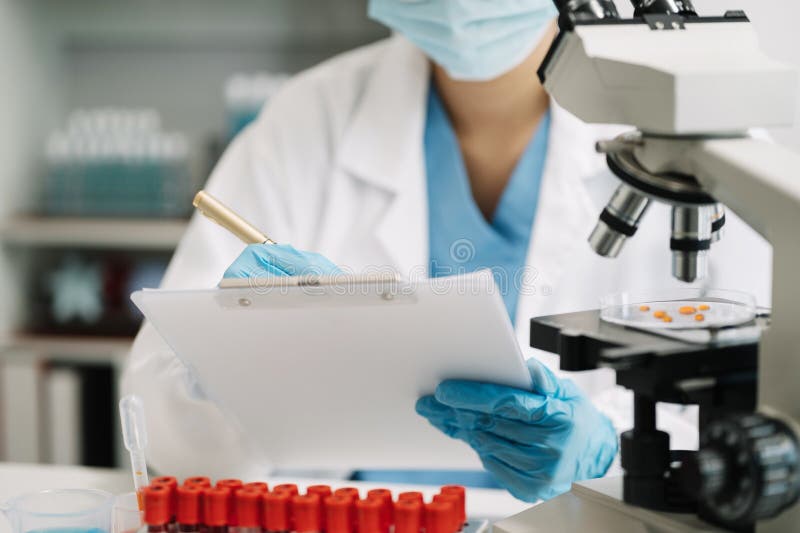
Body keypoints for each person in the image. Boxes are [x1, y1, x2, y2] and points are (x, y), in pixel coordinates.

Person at [122, 0, 771, 501]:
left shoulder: (687, 127)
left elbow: (767, 411)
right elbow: (160, 419)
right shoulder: (305, 121)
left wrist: (618, 450)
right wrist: (229, 360)